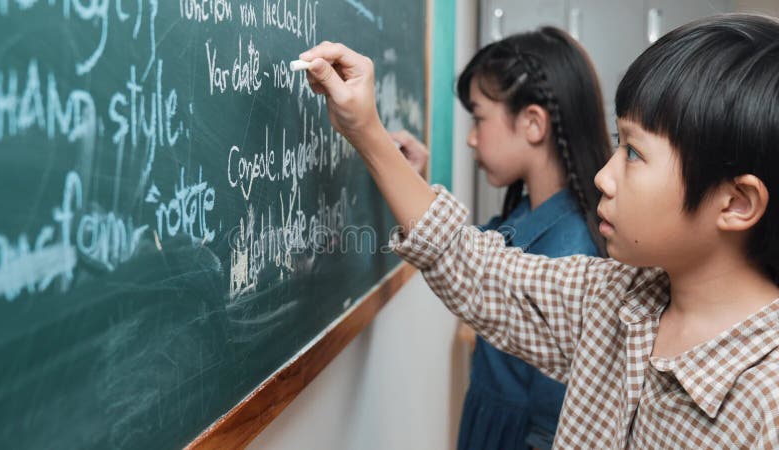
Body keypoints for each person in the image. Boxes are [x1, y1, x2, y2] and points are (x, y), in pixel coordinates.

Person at [300, 13, 779, 448]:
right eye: (618, 142)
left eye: (634, 153)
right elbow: (469, 265)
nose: (604, 177)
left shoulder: (765, 407)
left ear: (736, 202)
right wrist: (366, 130)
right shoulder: (614, 300)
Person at [390, 26, 611, 450]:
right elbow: (466, 254)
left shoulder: (572, 253)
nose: (471, 138)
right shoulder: (529, 212)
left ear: (533, 123)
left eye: (478, 118)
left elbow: (554, 425)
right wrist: (412, 181)